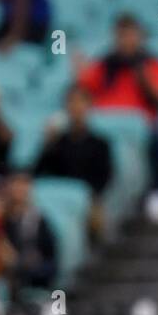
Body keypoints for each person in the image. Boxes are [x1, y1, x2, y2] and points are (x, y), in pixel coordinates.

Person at [75, 15, 158, 222]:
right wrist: (79, 69)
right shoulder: (104, 65)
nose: (126, 40)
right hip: (104, 122)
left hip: (141, 123)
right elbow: (83, 90)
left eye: (130, 35)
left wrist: (142, 76)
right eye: (122, 35)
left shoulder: (151, 64)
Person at [33, 86, 114, 239]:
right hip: (59, 199)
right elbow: (38, 173)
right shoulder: (57, 143)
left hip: (88, 199)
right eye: (71, 102)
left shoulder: (100, 144)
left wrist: (91, 197)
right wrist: (47, 145)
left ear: (89, 106)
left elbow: (105, 177)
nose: (76, 107)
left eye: (80, 102)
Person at [2, 172, 58, 291]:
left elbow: (50, 255)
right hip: (4, 275)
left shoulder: (38, 219)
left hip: (32, 276)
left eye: (23, 184)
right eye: (15, 184)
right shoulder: (1, 218)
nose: (18, 189)